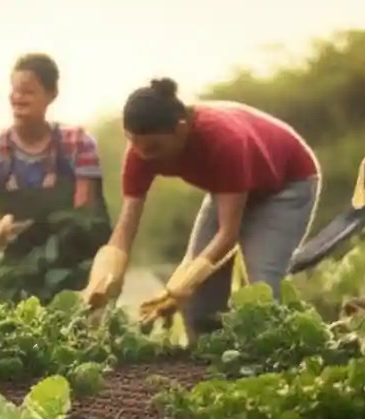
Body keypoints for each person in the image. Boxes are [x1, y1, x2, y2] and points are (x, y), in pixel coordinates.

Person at [81, 78, 321, 340]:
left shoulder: (223, 140)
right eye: (133, 143)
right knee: (196, 301)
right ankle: (204, 361)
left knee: (262, 287)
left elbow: (228, 234)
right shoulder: (141, 151)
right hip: (227, 188)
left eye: (153, 148)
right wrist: (102, 281)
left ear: (181, 130)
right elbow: (125, 228)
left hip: (286, 186)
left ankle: (269, 362)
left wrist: (179, 286)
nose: (143, 154)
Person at [0, 53, 111, 289]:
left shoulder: (77, 142)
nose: (18, 98)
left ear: (51, 95)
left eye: (27, 91)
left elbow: (85, 211)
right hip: (17, 263)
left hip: (72, 262)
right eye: (14, 90)